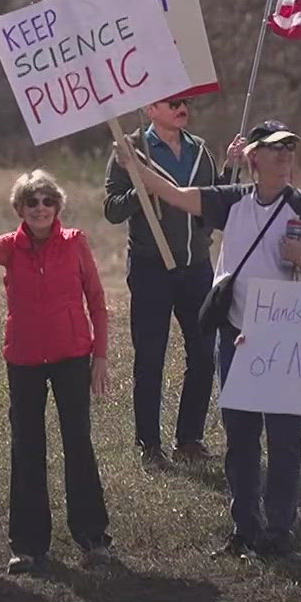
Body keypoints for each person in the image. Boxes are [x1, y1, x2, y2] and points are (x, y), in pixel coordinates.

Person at [124, 119, 301, 558]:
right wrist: (136, 166)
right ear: (253, 158)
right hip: (236, 338)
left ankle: (279, 530)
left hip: (285, 337)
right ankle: (244, 529)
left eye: (290, 146)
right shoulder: (230, 201)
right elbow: (176, 196)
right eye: (274, 148)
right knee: (240, 437)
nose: (285, 154)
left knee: (286, 439)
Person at [0, 170, 112, 574]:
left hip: (72, 356)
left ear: (58, 207)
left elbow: (98, 301)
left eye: (47, 201)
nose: (40, 208)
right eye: (31, 202)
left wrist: (100, 357)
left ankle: (93, 538)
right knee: (27, 448)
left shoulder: (75, 243)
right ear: (19, 209)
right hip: (24, 360)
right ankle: (28, 545)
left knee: (78, 445)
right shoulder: (11, 247)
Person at [103, 95, 229, 466]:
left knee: (205, 354)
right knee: (151, 356)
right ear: (150, 109)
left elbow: (213, 201)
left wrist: (231, 169)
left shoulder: (201, 151)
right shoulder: (130, 149)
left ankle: (189, 440)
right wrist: (140, 192)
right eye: (172, 102)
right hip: (151, 267)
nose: (182, 107)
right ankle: (150, 446)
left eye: (186, 101)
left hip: (196, 267)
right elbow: (112, 210)